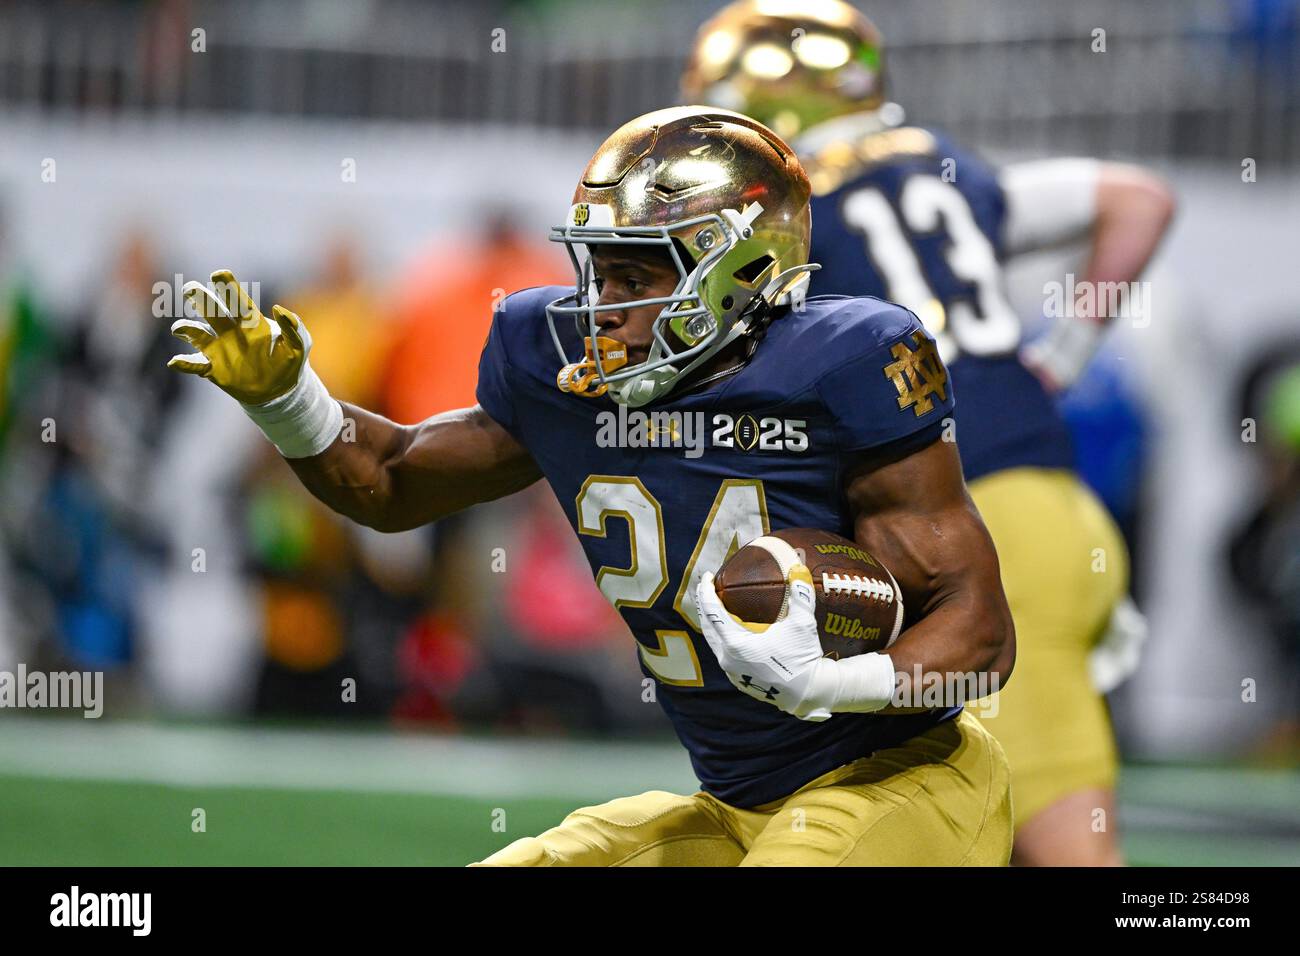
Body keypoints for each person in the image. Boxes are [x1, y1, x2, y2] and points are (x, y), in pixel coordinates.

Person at [167, 105, 1014, 866]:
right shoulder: (562, 371)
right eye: (597, 273)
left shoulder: (846, 362)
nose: (601, 306)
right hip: (736, 807)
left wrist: (838, 684)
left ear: (741, 271)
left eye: (636, 278)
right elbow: (389, 485)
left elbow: (981, 636)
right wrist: (287, 401)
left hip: (902, 780)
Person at [681, 0, 1176, 865]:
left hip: (986, 526)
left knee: (1068, 855)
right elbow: (1140, 200)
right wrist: (1058, 355)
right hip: (1034, 504)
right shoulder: (945, 166)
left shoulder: (788, 211)